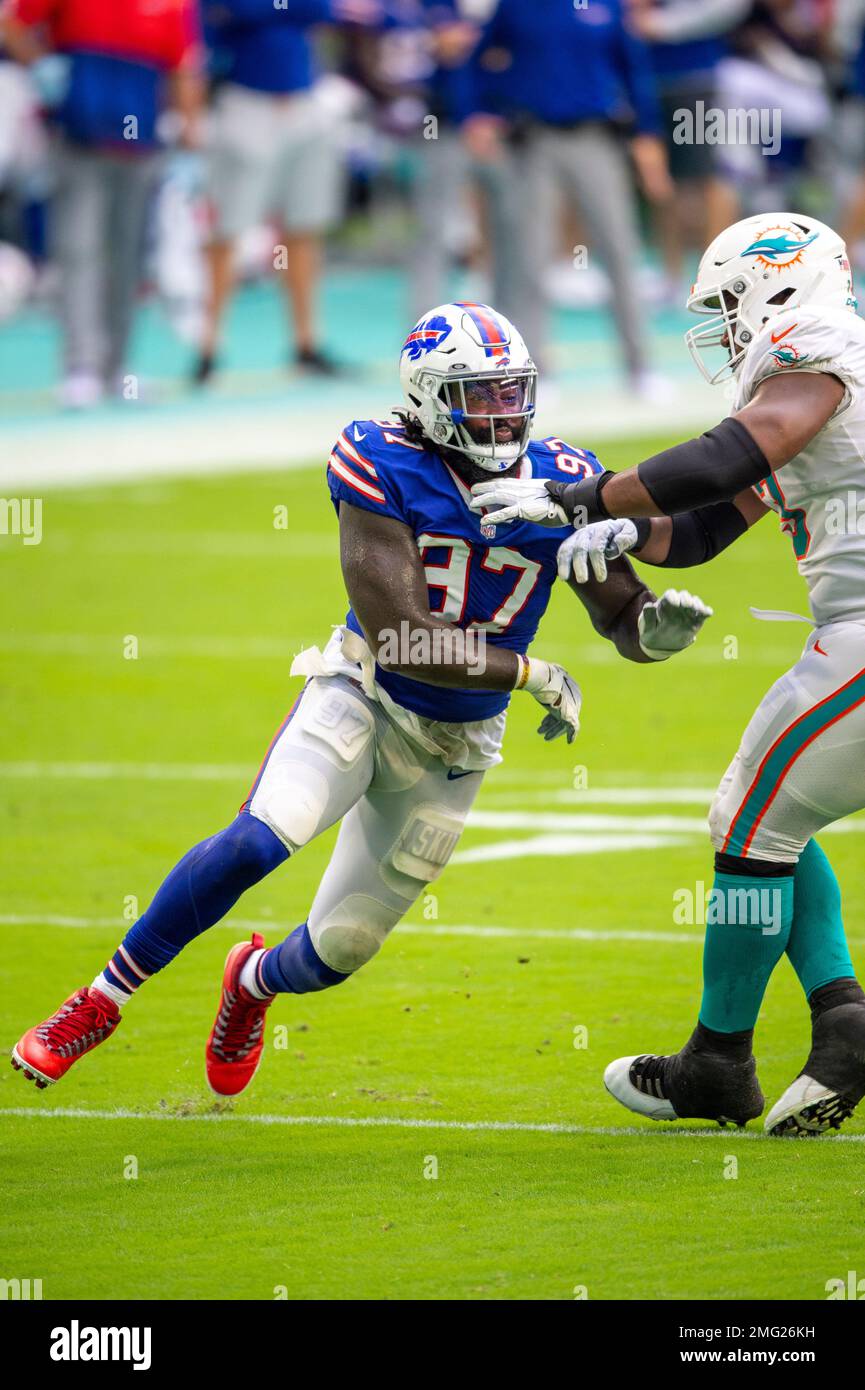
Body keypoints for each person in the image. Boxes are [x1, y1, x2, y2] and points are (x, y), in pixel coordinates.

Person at [10, 299, 711, 1096]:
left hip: (458, 745)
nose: (501, 412)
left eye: (510, 391)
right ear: (426, 397)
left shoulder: (565, 478)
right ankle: (98, 1003)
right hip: (366, 693)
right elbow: (402, 635)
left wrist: (650, 632)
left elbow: (620, 611)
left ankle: (252, 982)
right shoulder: (380, 458)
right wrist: (534, 675)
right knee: (258, 842)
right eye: (478, 396)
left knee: (340, 949)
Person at [470, 214, 865, 1136]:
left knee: (751, 820)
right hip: (849, 632)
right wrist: (613, 528)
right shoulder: (820, 384)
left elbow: (736, 449)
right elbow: (700, 526)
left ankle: (719, 1061)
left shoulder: (820, 356)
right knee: (764, 813)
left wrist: (581, 493)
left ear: (779, 289)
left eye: (731, 303)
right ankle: (837, 1025)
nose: (725, 327)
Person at [460, 0, 674, 394]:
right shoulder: (516, 7)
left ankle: (639, 365)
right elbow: (475, 60)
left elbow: (633, 70)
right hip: (533, 140)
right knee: (531, 257)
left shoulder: (605, 6)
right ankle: (533, 370)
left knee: (619, 249)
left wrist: (647, 133)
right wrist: (476, 113)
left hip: (596, 137)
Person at [2, 0, 203, 408]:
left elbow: (184, 66)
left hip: (141, 145)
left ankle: (118, 369)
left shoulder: (172, 5)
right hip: (80, 139)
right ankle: (81, 368)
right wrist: (40, 65)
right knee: (79, 253)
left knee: (127, 260)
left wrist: (188, 139)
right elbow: (12, 24)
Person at [195, 0, 381, 383]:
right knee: (227, 228)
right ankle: (208, 346)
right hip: (245, 101)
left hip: (302, 101)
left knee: (303, 225)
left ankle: (306, 344)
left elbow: (324, 10)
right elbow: (226, 15)